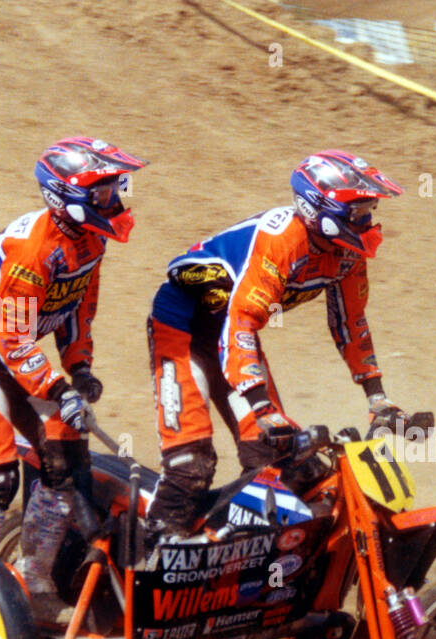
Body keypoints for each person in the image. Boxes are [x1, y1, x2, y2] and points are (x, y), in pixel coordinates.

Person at [144, 149, 409, 541]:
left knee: (280, 457)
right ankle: (152, 550)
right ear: (321, 209)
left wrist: (378, 398)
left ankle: (242, 557)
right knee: (191, 465)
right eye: (358, 212)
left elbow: (351, 323)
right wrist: (259, 403)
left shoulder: (348, 255)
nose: (367, 221)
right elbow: (242, 322)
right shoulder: (282, 239)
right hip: (182, 328)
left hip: (231, 335)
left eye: (368, 210)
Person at [0, 136, 147, 622]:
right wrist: (57, 389)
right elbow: (9, 338)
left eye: (114, 188)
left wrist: (80, 369)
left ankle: (32, 581)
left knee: (63, 469)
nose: (113, 200)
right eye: (101, 192)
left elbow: (77, 311)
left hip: (22, 353)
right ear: (65, 196)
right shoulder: (35, 247)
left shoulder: (91, 240)